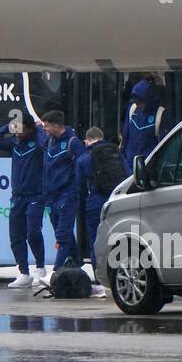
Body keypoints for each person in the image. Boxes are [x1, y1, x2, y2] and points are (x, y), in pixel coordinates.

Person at [0, 115, 47, 288]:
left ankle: (41, 267)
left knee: (33, 232)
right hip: (17, 197)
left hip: (36, 196)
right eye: (16, 130)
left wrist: (40, 129)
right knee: (16, 236)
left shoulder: (37, 143)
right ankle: (23, 272)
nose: (18, 134)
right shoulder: (15, 144)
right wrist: (8, 126)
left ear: (30, 129)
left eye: (22, 130)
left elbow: (45, 144)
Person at [37, 110, 85, 286]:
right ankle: (79, 265)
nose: (45, 129)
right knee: (64, 233)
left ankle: (55, 273)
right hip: (51, 197)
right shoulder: (49, 142)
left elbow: (81, 170)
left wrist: (74, 192)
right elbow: (46, 171)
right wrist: (45, 195)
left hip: (68, 196)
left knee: (62, 234)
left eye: (47, 126)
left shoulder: (73, 143)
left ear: (57, 126)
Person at [75, 126, 122, 297]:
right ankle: (119, 278)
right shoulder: (115, 152)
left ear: (87, 140)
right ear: (101, 137)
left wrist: (79, 210)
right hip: (116, 200)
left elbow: (79, 188)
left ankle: (101, 282)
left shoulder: (83, 159)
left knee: (97, 241)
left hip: (95, 201)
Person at [121, 75, 166, 175]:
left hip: (148, 169)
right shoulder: (132, 111)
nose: (137, 106)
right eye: (135, 103)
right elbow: (125, 137)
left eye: (139, 103)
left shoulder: (160, 115)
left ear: (148, 101)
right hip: (129, 167)